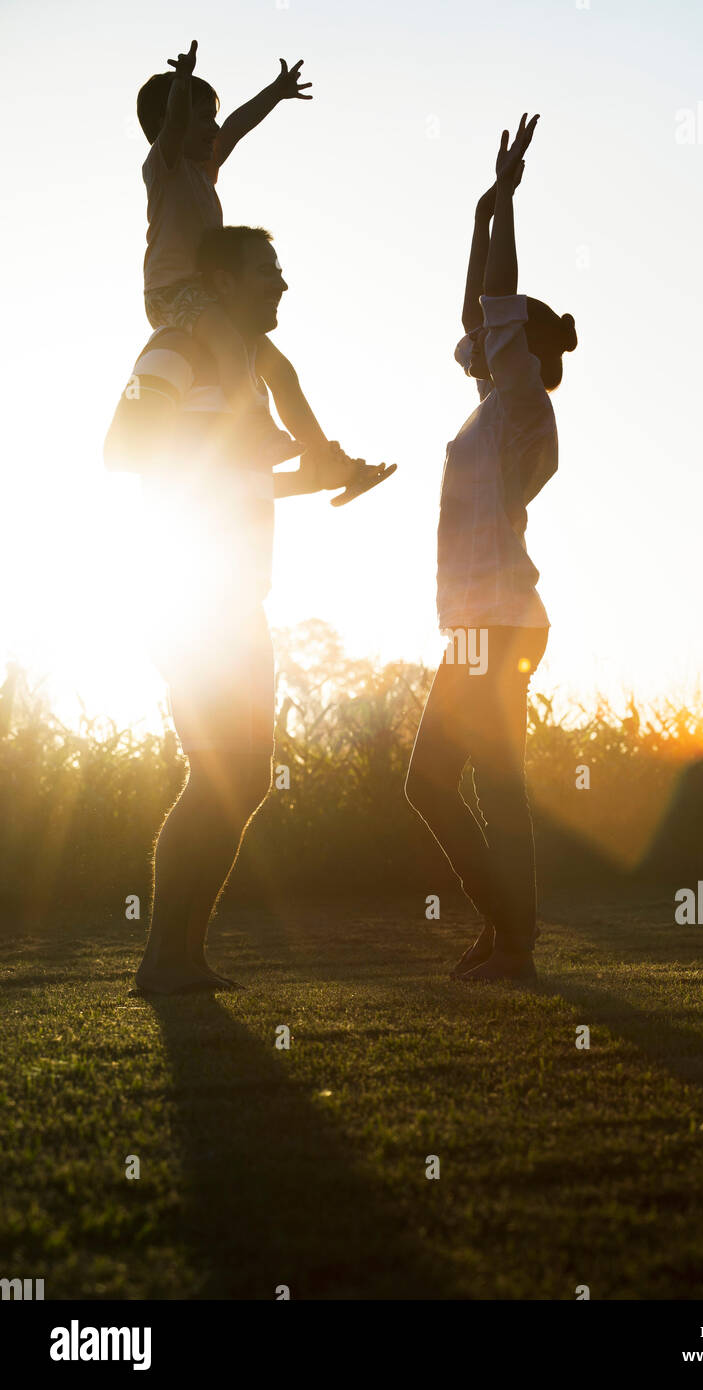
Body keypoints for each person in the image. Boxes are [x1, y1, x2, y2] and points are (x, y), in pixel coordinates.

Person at [105, 225, 383, 994]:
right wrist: (241, 451)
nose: (283, 285)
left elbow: (239, 479)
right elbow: (122, 448)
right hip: (191, 601)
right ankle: (163, 959)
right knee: (217, 770)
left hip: (234, 600)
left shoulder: (246, 378)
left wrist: (324, 476)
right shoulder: (175, 351)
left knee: (244, 776)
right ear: (223, 281)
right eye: (269, 272)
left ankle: (182, 957)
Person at [405, 115, 577, 984]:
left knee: (443, 779)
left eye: (503, 335)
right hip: (485, 620)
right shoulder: (494, 405)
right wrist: (478, 216)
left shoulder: (523, 406)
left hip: (500, 621)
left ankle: (512, 937)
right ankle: (509, 934)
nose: (485, 340)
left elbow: (492, 300)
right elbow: (475, 308)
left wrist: (507, 205)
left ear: (525, 351)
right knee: (453, 782)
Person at [137, 37, 331, 470]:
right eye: (203, 119)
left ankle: (321, 454)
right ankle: (257, 430)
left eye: (213, 118)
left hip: (209, 297)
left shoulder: (205, 170)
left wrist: (275, 93)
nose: (213, 129)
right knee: (227, 343)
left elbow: (238, 126)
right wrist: (182, 83)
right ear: (174, 123)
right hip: (172, 294)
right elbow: (173, 127)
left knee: (279, 369)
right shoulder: (164, 168)